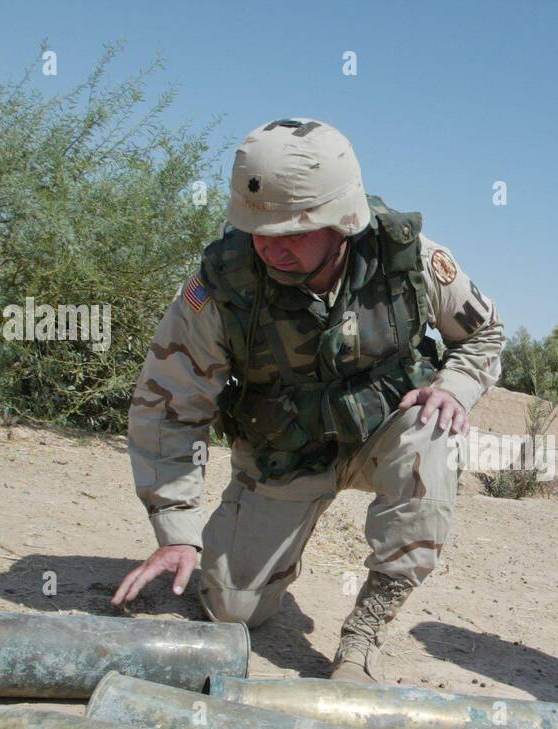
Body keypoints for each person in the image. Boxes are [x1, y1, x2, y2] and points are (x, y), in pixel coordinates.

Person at [113, 118, 504, 683]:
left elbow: (486, 334)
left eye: (293, 232)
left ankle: (365, 634)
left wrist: (454, 390)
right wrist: (176, 532)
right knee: (232, 611)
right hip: (283, 453)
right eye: (259, 231)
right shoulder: (222, 289)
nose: (272, 248)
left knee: (432, 429)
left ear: (342, 221)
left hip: (383, 434)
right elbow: (168, 406)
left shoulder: (411, 260)